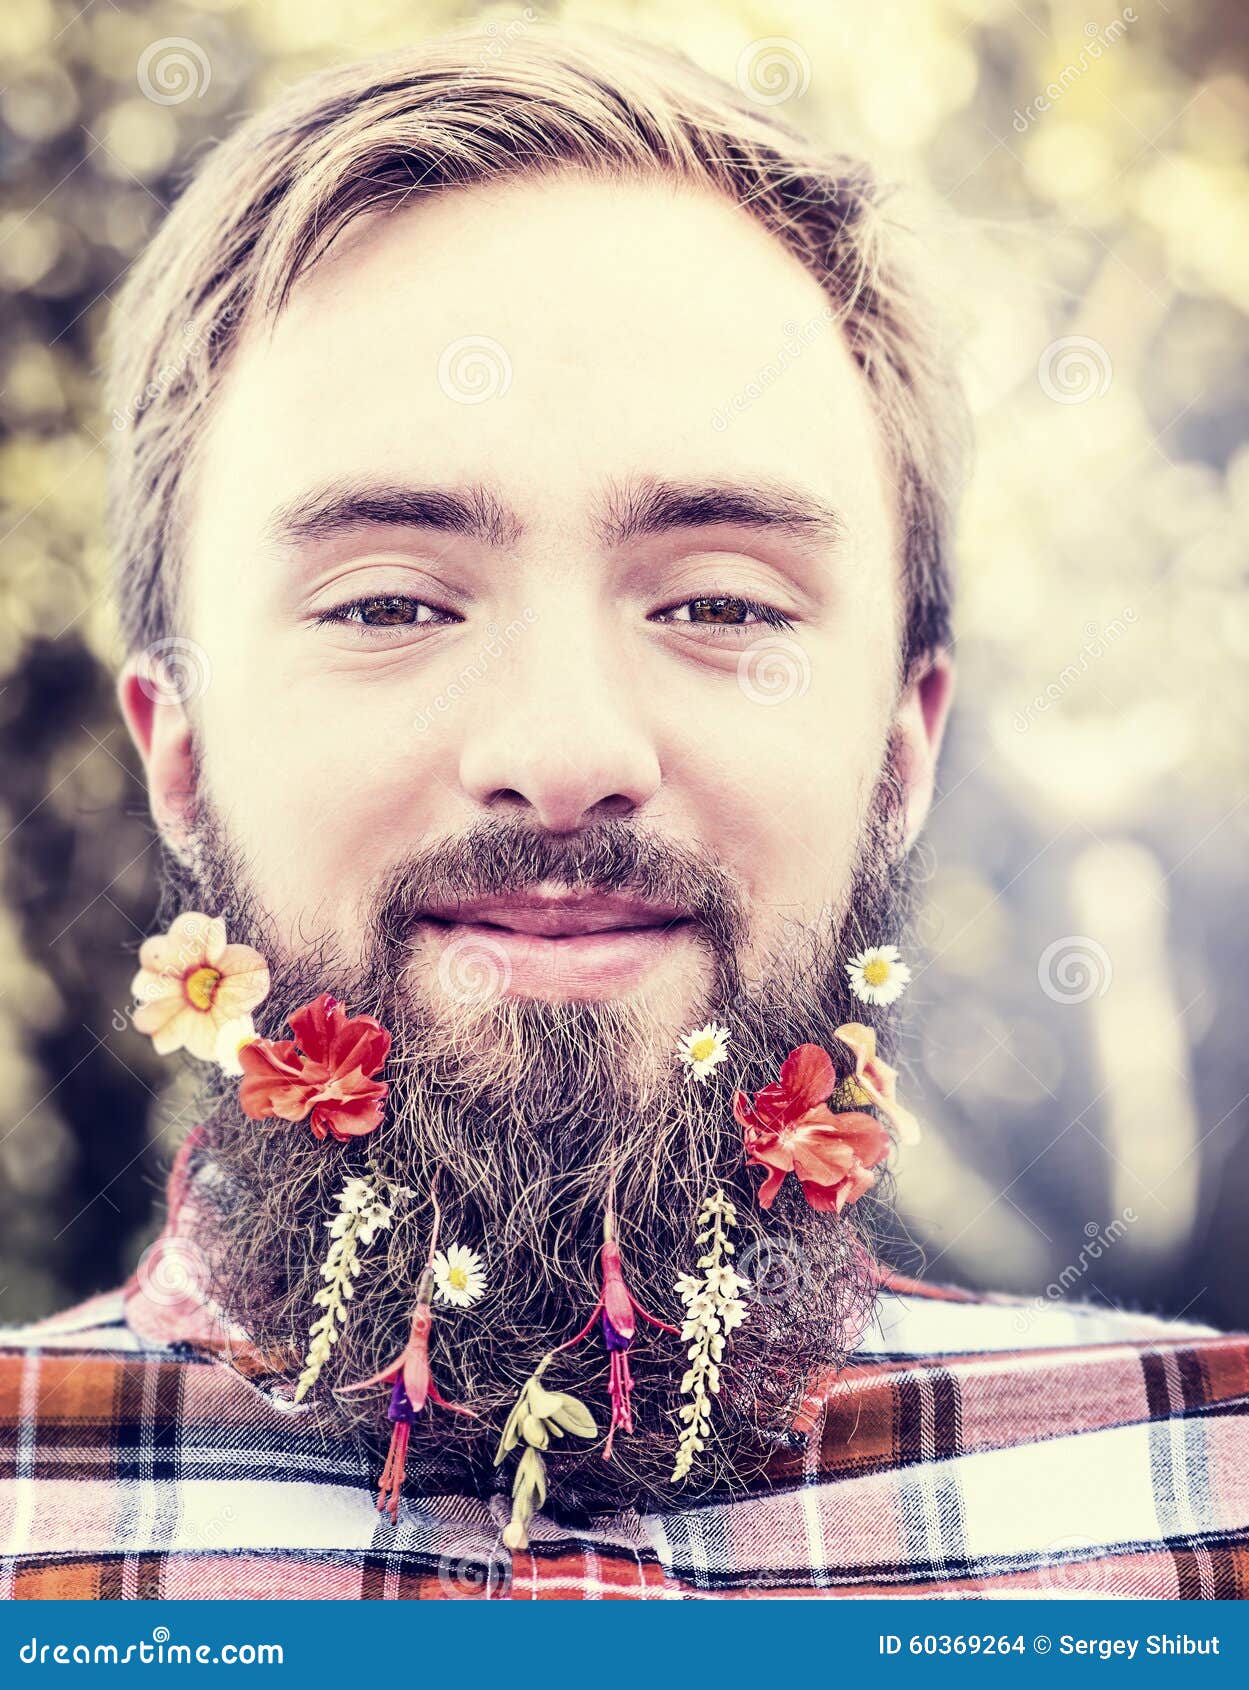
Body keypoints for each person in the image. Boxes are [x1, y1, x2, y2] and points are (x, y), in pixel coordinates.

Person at [3, 21, 1246, 1601]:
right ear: (175, 754)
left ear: (899, 751)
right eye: (387, 605)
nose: (565, 748)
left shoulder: (1206, 1515)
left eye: (722, 603)